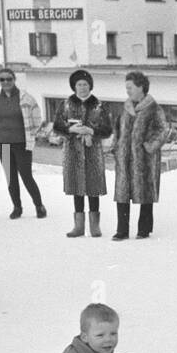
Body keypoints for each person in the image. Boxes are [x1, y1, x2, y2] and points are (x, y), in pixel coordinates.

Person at [54, 69, 113, 238]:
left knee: (93, 187)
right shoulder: (65, 104)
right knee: (77, 187)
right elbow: (57, 126)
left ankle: (95, 226)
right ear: (74, 86)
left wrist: (92, 130)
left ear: (90, 86)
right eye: (79, 84)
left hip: (93, 152)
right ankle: (78, 226)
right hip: (73, 151)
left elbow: (108, 130)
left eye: (85, 84)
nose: (82, 88)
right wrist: (69, 129)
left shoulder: (100, 105)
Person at [111, 70, 167, 241]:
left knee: (145, 192)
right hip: (124, 158)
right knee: (122, 193)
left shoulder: (153, 108)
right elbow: (118, 129)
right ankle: (122, 230)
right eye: (126, 87)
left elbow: (163, 130)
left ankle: (144, 229)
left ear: (141, 87)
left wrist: (150, 146)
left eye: (130, 87)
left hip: (144, 158)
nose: (127, 90)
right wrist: (116, 147)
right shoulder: (125, 107)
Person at [0, 67, 45, 220]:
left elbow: (37, 120)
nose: (6, 82)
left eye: (9, 79)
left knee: (26, 176)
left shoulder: (26, 98)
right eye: (2, 79)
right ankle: (17, 207)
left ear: (14, 80)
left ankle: (39, 205)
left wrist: (30, 134)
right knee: (10, 178)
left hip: (22, 144)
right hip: (3, 144)